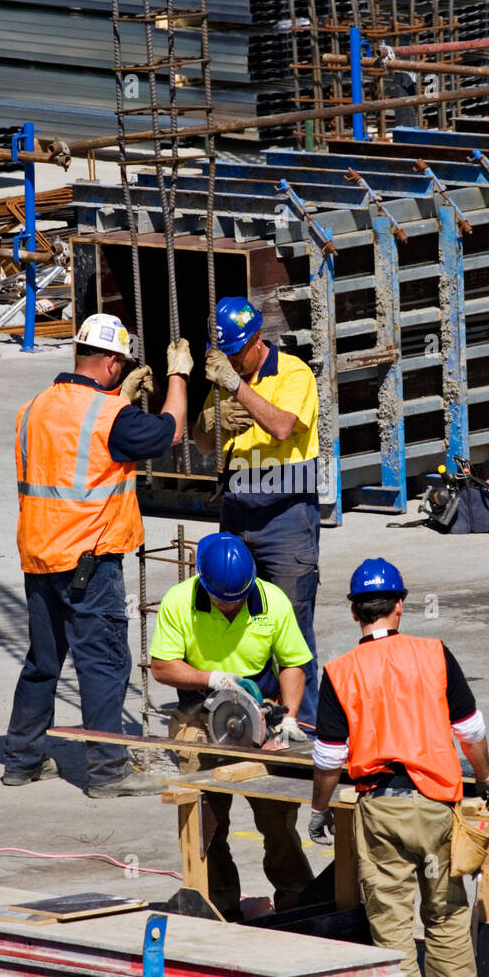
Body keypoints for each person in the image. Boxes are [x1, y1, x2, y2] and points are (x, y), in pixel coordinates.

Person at [307, 558, 489, 977]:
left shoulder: (340, 672)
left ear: (356, 614)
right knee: (447, 915)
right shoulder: (434, 653)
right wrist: (485, 778)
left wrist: (319, 809)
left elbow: (329, 758)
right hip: (438, 805)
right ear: (400, 605)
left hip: (382, 811)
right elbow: (471, 729)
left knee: (391, 924)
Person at [2, 312, 193, 798]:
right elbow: (169, 430)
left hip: (39, 556)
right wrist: (178, 375)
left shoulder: (33, 408)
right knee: (105, 664)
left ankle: (22, 759)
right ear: (111, 362)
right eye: (121, 364)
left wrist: (120, 399)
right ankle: (108, 770)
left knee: (44, 662)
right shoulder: (111, 416)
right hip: (90, 561)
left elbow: (72, 452)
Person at [150, 532, 315, 920]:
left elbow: (293, 663)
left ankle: (296, 896)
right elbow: (161, 667)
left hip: (260, 713)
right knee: (206, 818)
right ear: (202, 581)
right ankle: (219, 900)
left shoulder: (271, 600)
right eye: (222, 598)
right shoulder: (179, 601)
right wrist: (210, 679)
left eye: (237, 597)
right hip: (199, 710)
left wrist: (288, 715)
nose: (230, 604)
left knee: (277, 817)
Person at [192, 296, 321, 731]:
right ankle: (254, 721)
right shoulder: (225, 379)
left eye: (236, 353)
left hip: (286, 519)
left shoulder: (293, 373)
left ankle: (303, 729)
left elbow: (283, 426)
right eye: (224, 354)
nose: (230, 361)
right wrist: (214, 421)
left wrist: (237, 389)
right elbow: (203, 445)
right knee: (244, 625)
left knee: (293, 630)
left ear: (256, 341)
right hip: (237, 516)